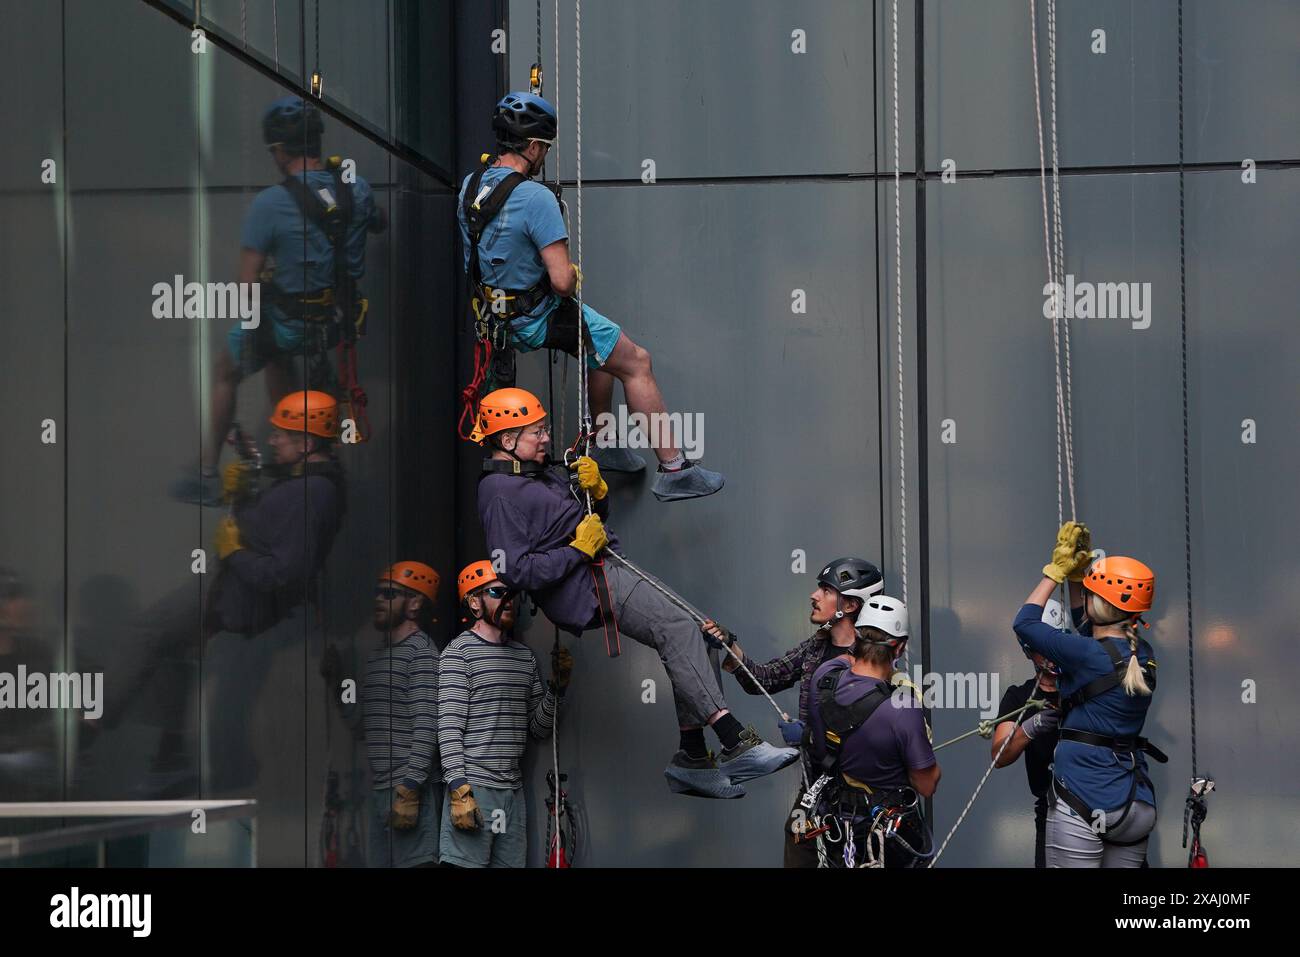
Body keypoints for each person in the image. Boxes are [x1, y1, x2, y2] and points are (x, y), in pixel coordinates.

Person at [471, 387, 796, 799]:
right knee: (678, 628)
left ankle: (692, 758)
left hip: (601, 569)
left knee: (700, 632)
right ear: (507, 440)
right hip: (587, 585)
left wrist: (598, 495)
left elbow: (584, 520)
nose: (547, 438)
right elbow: (514, 572)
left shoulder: (536, 472)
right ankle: (734, 742)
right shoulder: (498, 494)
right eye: (538, 432)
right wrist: (576, 552)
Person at [457, 92, 724, 502]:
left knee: (601, 349)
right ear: (532, 146)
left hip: (495, 323)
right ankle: (674, 468)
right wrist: (569, 273)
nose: (543, 155)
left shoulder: (469, 188)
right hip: (538, 316)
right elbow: (562, 282)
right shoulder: (535, 198)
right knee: (637, 362)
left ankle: (602, 445)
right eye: (543, 148)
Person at [172, 96, 384, 505]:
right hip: (337, 324)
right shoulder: (355, 189)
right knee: (276, 355)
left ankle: (205, 471)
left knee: (228, 368)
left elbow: (246, 281)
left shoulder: (270, 204)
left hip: (291, 323)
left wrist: (255, 332)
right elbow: (377, 222)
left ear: (279, 151)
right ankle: (296, 457)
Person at [704, 557, 885, 866]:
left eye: (826, 590)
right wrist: (729, 646)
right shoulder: (816, 647)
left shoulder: (873, 658)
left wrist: (809, 735)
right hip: (816, 790)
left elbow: (873, 732)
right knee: (798, 845)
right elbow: (764, 678)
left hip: (861, 796)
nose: (815, 595)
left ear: (851, 604)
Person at [1012, 521, 1163, 868]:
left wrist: (1056, 571)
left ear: (1102, 605)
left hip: (1086, 797)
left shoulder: (1085, 654)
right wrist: (1082, 578)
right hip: (1134, 802)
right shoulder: (1143, 653)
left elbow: (1025, 622)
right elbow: (1088, 627)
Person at [437, 561, 571, 868]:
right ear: (474, 602)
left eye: (513, 594)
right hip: (473, 788)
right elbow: (449, 728)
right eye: (498, 592)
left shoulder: (524, 658)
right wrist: (459, 788)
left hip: (512, 792)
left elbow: (538, 728)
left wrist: (557, 688)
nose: (509, 601)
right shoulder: (459, 654)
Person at [805, 595, 939, 868]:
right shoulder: (901, 708)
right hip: (884, 837)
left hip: (837, 828)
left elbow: (845, 660)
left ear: (856, 636)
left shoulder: (824, 677)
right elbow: (926, 784)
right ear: (900, 648)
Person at [324, 562, 442, 867]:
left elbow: (427, 727)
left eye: (389, 593)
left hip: (409, 790)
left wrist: (410, 789)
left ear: (415, 604)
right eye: (377, 592)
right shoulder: (378, 658)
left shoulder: (422, 654)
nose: (379, 599)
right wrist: (338, 682)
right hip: (380, 790)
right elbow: (363, 726)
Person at [991, 598, 1066, 868]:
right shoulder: (1019, 697)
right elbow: (999, 755)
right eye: (1040, 648)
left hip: (1098, 805)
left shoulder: (1083, 688)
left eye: (1054, 644)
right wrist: (1028, 729)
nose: (1049, 654)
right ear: (1028, 651)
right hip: (1052, 812)